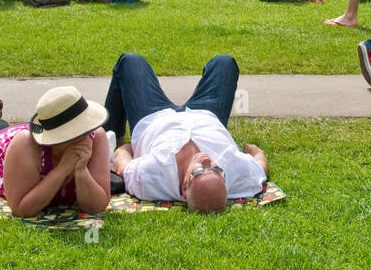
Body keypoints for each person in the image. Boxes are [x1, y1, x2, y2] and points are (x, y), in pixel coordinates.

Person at [103, 53, 268, 212]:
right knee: (224, 63)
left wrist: (127, 147)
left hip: (155, 118)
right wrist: (253, 150)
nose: (206, 163)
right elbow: (260, 166)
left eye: (199, 172)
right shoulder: (237, 173)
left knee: (129, 61)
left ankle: (111, 134)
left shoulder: (152, 177)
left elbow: (122, 165)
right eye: (216, 170)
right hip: (206, 116)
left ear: (184, 188)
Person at [0, 88, 111, 217]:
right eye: (80, 129)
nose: (87, 133)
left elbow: (97, 207)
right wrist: (63, 169)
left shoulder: (96, 137)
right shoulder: (25, 144)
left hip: (33, 137)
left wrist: (81, 170)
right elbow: (21, 209)